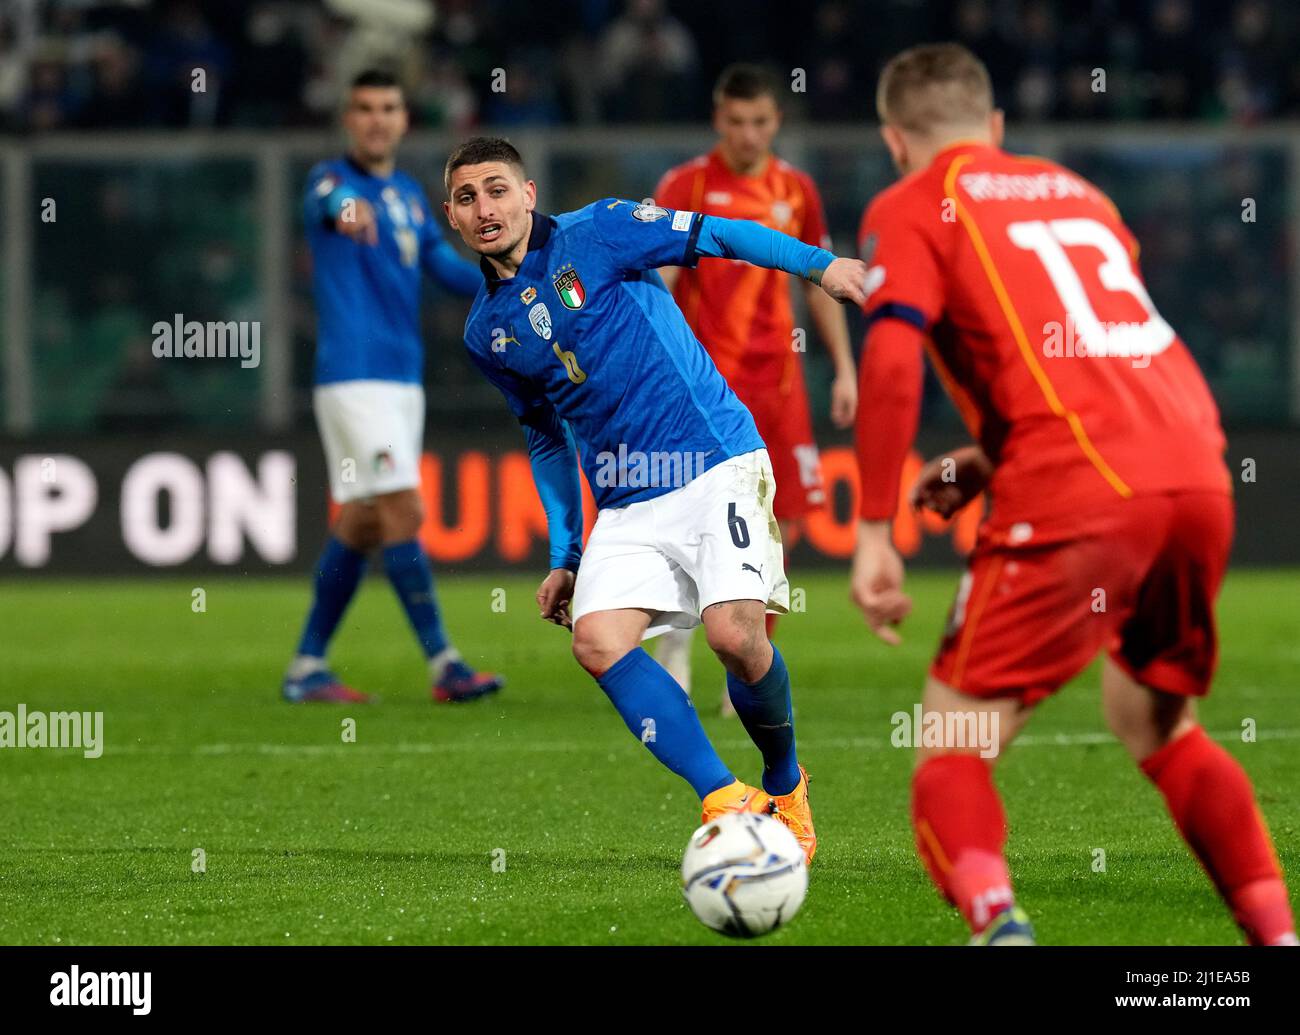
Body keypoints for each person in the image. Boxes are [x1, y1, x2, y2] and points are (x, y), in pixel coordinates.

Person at [850, 42, 1296, 945]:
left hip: (1079, 484)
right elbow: (1092, 338)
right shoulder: (1079, 192)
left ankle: (999, 925)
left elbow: (893, 360)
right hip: (1195, 470)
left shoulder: (909, 204)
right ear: (998, 128)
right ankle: (1277, 938)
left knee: (953, 744)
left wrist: (871, 529)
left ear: (896, 141)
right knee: (1155, 718)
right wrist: (988, 454)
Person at [442, 135, 873, 863]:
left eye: (496, 189)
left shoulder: (601, 229)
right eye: (466, 197)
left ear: (529, 194)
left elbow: (718, 234)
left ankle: (785, 783)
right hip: (628, 500)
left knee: (737, 639)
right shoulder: (487, 333)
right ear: (451, 217)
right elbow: (547, 439)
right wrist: (566, 552)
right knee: (595, 638)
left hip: (714, 460)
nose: (485, 208)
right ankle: (726, 798)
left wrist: (822, 266)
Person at [284, 70, 503, 704]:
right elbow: (333, 205)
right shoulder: (330, 181)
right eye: (365, 109)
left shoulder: (408, 194)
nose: (378, 119)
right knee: (404, 508)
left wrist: (502, 279)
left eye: (389, 108)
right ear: (348, 119)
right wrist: (347, 212)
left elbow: (439, 265)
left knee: (362, 521)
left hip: (400, 379)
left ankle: (306, 666)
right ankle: (446, 665)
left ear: (405, 119)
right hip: (354, 376)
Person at [652, 63, 857, 714]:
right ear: (719, 119)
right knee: (693, 515)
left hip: (781, 383)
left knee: (786, 517)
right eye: (736, 121)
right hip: (706, 384)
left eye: (760, 121)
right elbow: (657, 281)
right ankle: (679, 643)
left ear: (777, 121)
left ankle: (748, 663)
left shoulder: (796, 189)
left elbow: (818, 282)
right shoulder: (687, 184)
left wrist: (845, 366)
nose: (747, 134)